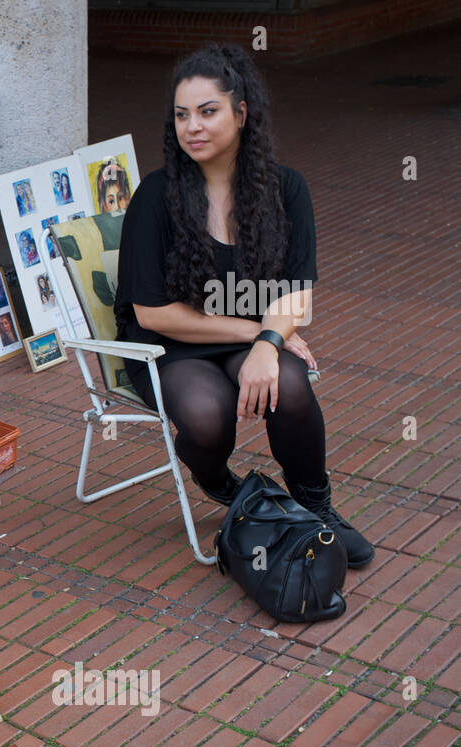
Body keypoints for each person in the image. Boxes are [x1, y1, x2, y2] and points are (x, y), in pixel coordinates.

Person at [113, 43, 372, 567]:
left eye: (208, 111)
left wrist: (271, 340)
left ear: (241, 113)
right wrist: (256, 336)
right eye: (182, 115)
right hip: (167, 346)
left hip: (245, 331)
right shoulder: (156, 196)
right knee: (207, 417)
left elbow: (296, 291)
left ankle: (315, 507)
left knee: (291, 386)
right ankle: (221, 483)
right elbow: (153, 315)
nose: (193, 127)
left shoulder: (284, 189)